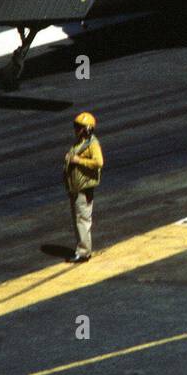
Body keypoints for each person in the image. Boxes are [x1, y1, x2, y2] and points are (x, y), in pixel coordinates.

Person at [64, 111, 104, 262]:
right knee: (78, 219)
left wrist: (78, 161)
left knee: (82, 219)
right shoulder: (80, 142)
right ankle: (81, 249)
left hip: (84, 188)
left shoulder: (92, 144)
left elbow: (99, 162)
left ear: (87, 128)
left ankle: (83, 252)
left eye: (78, 127)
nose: (75, 129)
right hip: (76, 187)